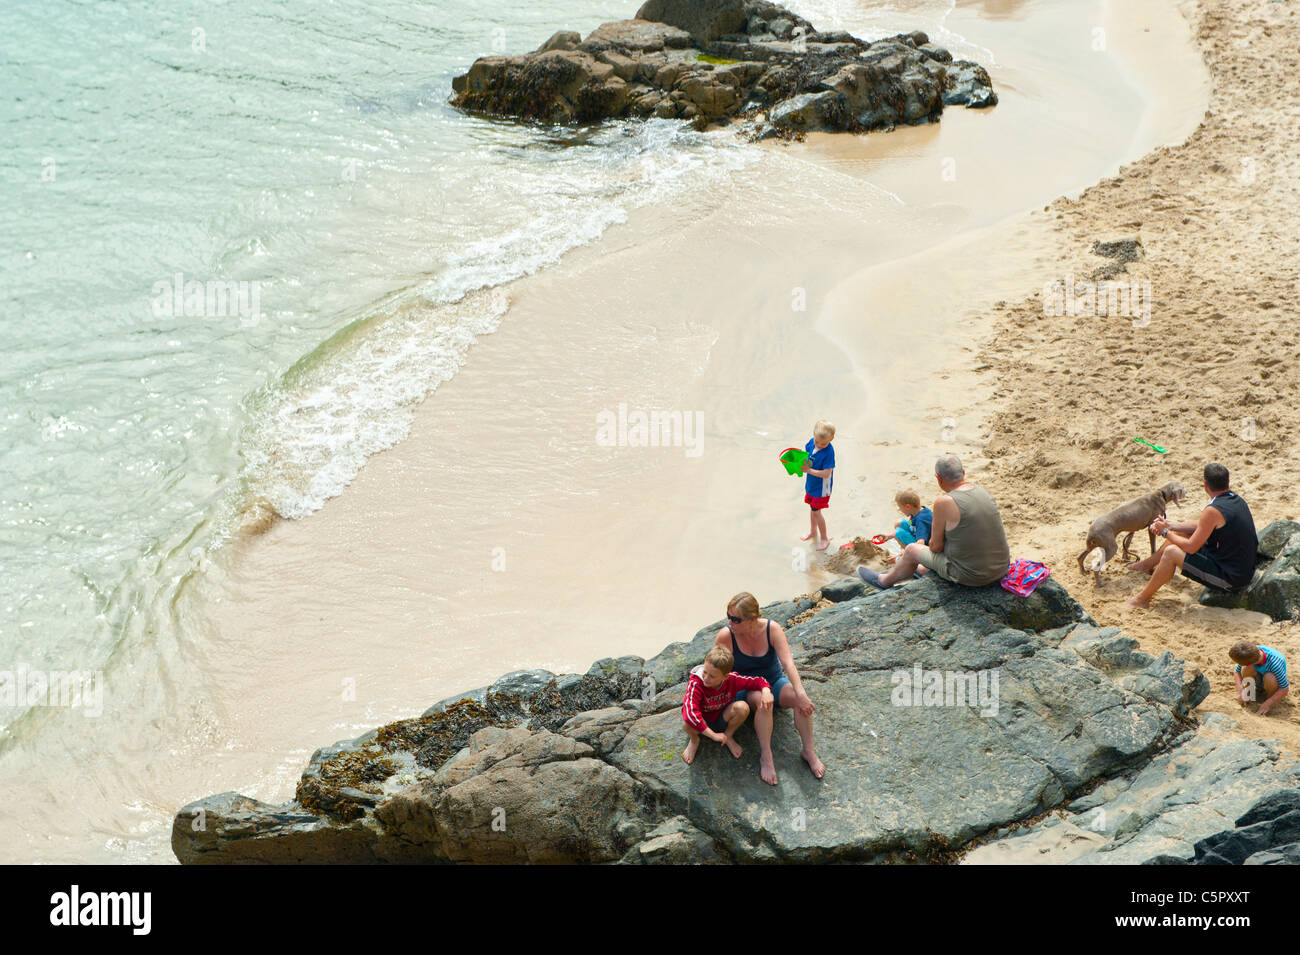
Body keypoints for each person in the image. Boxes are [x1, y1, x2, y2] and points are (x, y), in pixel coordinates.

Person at [714, 592, 824, 784]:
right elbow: (716, 669)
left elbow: (789, 664)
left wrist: (801, 693)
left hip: (773, 682)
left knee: (801, 701)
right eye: (728, 617)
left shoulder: (771, 629)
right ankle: (766, 755)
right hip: (746, 688)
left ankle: (808, 750)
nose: (730, 622)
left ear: (753, 619)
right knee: (763, 703)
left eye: (736, 619)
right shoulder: (726, 636)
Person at [859, 454, 1011, 589]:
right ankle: (921, 570)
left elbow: (935, 547)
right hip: (1002, 568)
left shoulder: (944, 502)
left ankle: (883, 581)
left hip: (973, 577)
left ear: (938, 478)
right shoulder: (982, 491)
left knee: (912, 549)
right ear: (963, 473)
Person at [1124, 463, 1258, 609]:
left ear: (1205, 484)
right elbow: (1202, 525)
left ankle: (1142, 599)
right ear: (1227, 482)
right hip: (1238, 565)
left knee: (1171, 553)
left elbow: (1191, 547)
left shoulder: (1212, 510)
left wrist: (1165, 532)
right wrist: (1171, 526)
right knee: (1181, 533)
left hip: (1231, 579)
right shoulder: (1235, 500)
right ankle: (1146, 566)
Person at [681, 646, 772, 764]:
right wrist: (712, 735)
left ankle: (728, 735)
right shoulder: (696, 683)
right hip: (702, 722)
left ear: (725, 676)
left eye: (712, 676)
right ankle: (694, 740)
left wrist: (766, 691)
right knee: (686, 723)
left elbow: (758, 681)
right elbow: (690, 713)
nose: (706, 678)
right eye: (705, 672)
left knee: (742, 707)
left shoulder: (732, 679)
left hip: (722, 717)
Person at [799, 419, 836, 552]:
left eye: (824, 443)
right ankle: (813, 531)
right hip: (811, 483)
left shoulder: (829, 452)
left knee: (816, 512)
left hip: (821, 488)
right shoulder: (811, 442)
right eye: (817, 442)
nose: (819, 445)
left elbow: (827, 474)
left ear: (831, 440)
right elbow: (805, 456)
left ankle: (825, 538)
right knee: (812, 509)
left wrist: (808, 470)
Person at [1230, 641, 1289, 716]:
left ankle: (1267, 700)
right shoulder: (1250, 652)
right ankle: (1249, 694)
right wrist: (1241, 691)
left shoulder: (1275, 663)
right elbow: (1237, 671)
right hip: (1258, 676)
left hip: (1271, 683)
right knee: (1246, 669)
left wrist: (1268, 703)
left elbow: (1284, 688)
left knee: (1270, 677)